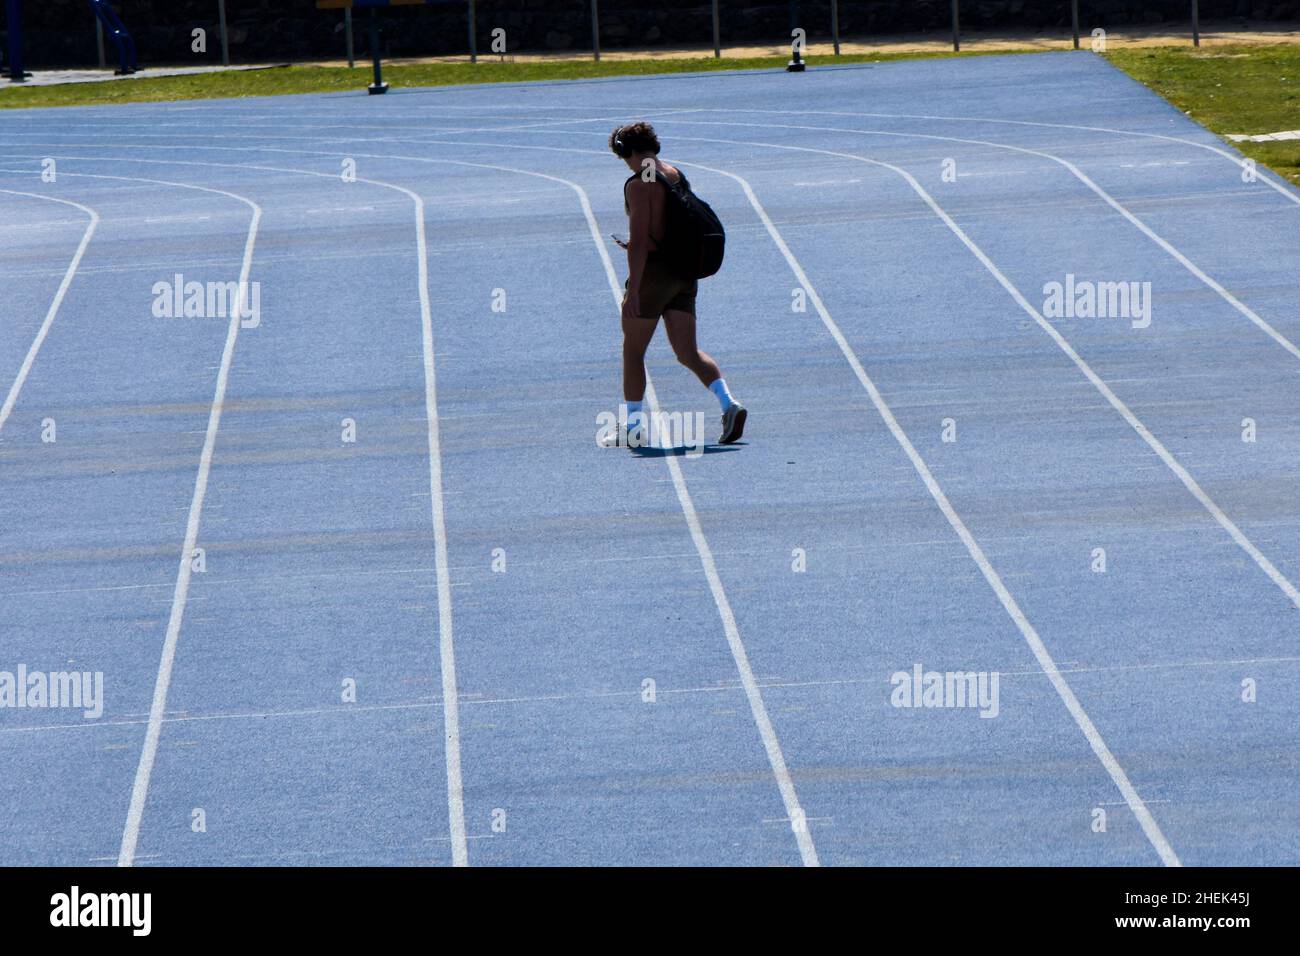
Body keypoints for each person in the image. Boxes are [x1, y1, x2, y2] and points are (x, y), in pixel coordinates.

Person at [608, 121, 746, 447]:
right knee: (687, 352)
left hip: (655, 275)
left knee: (633, 350)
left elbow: (642, 241)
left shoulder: (638, 182)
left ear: (626, 152)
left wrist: (634, 292)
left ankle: (632, 425)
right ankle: (729, 404)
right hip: (684, 273)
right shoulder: (673, 172)